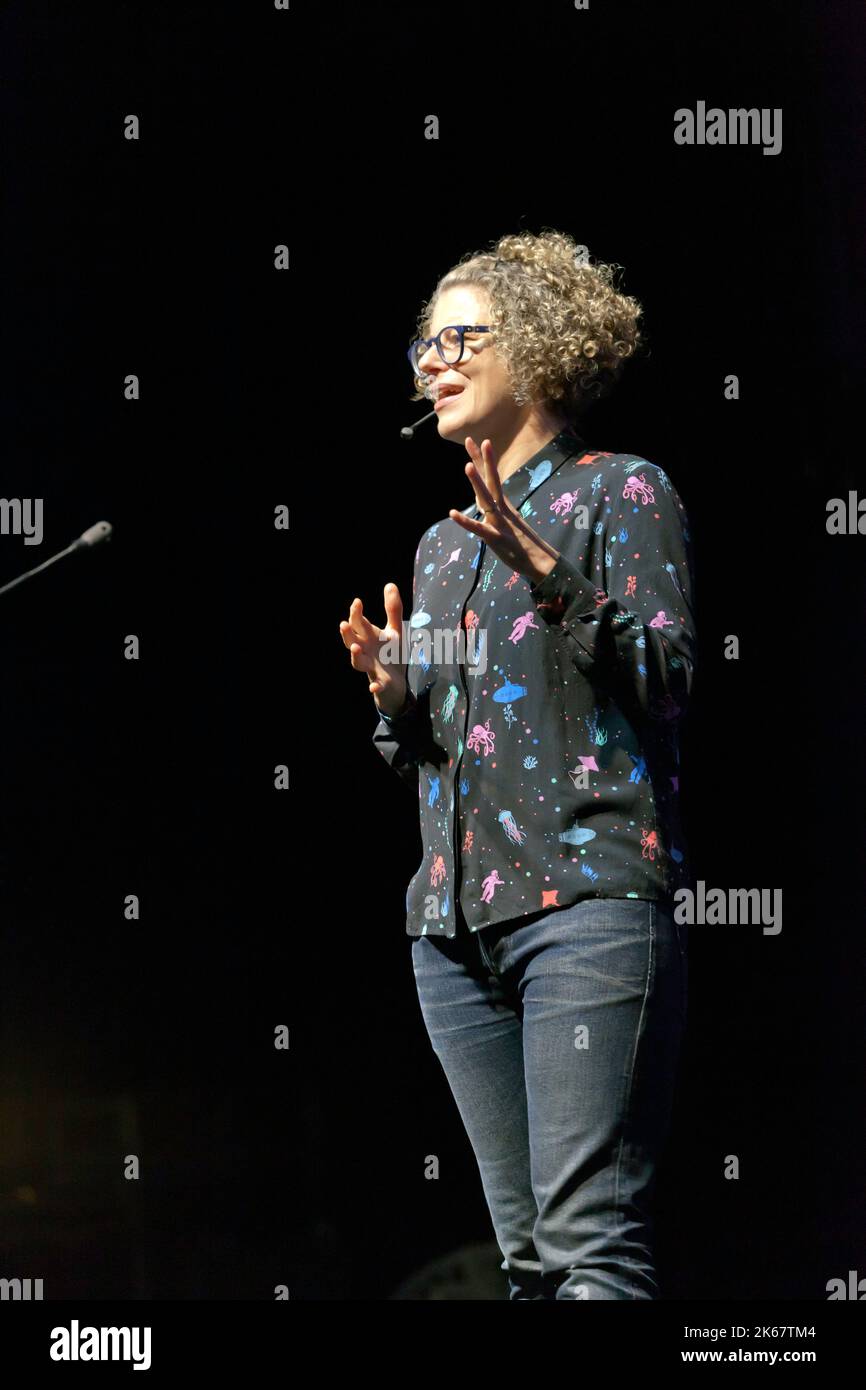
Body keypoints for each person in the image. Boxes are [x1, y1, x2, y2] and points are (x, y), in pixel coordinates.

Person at [339, 230, 696, 1300]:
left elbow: (668, 680)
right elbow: (441, 747)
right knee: (527, 1264)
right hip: (453, 932)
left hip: (583, 905)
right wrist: (395, 699)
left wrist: (547, 570)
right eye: (424, 343)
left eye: (460, 338)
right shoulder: (443, 544)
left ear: (535, 347)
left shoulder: (619, 491)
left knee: (589, 1246)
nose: (432, 361)